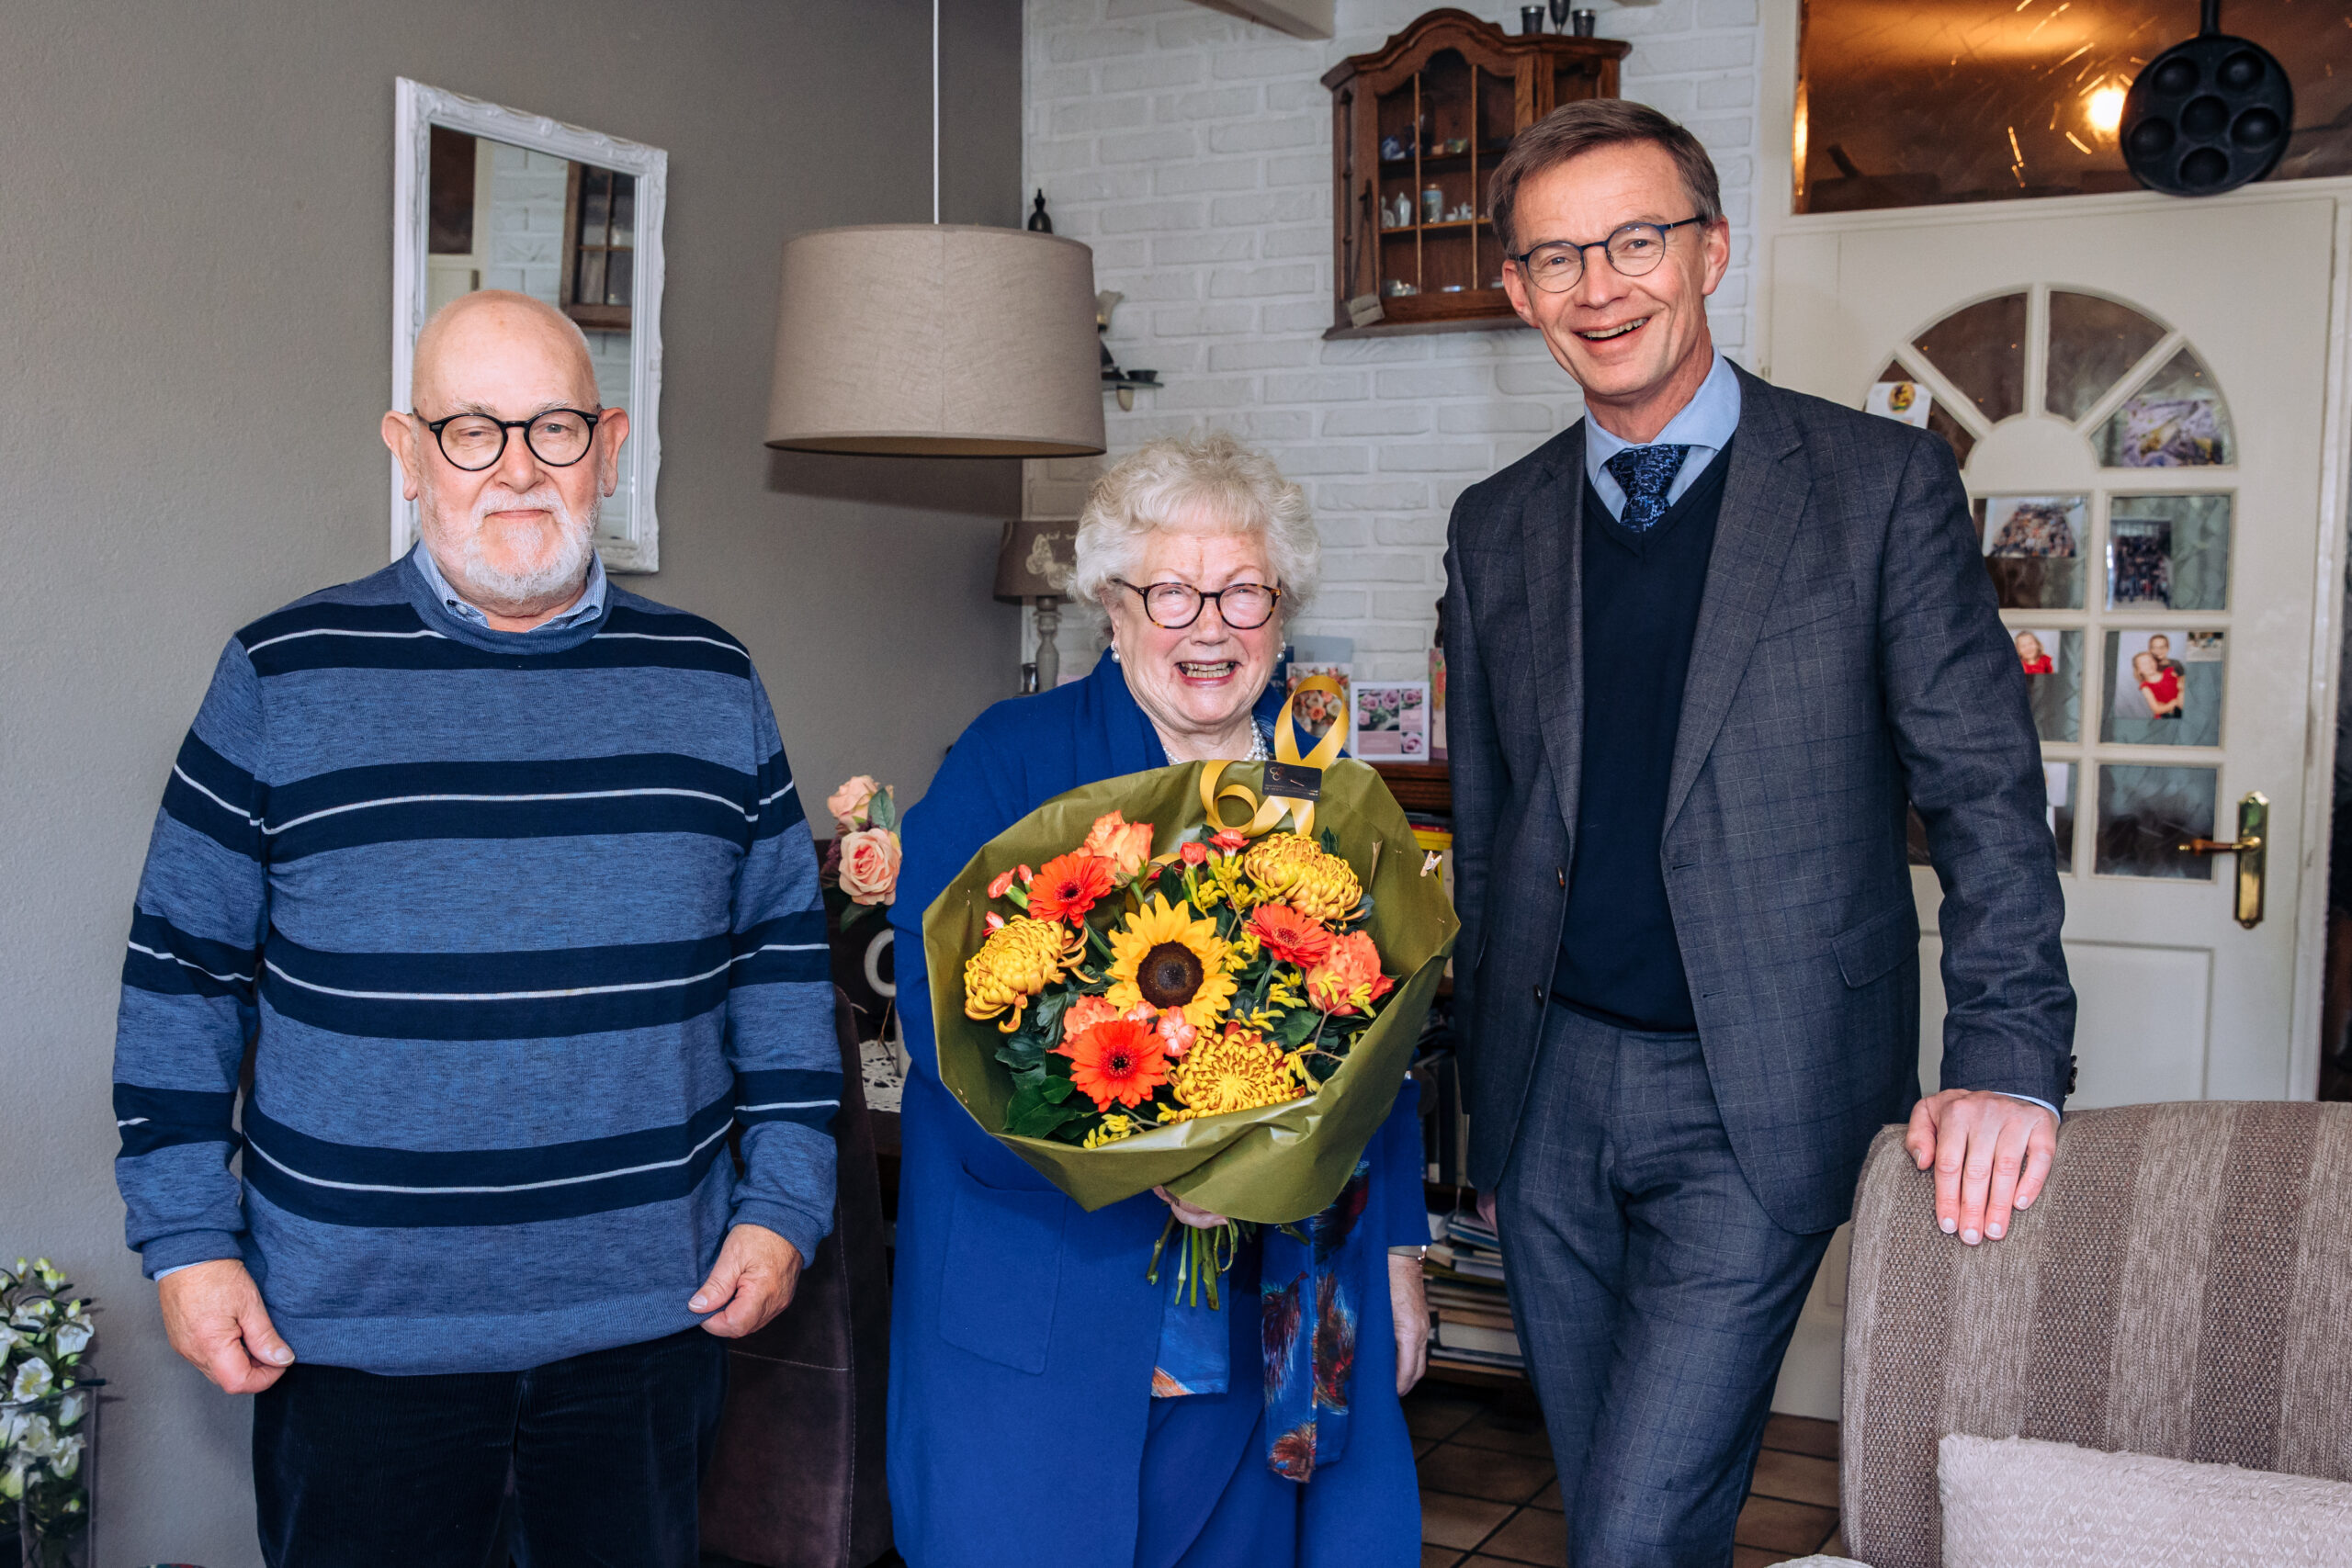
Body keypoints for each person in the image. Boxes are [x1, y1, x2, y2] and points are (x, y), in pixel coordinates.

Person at [110, 291, 838, 1567]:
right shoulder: (282, 674)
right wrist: (185, 1239)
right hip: (353, 1344)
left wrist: (784, 1205)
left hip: (645, 1330)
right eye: (469, 429)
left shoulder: (714, 681)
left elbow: (778, 964)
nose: (515, 465)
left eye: (554, 427)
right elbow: (182, 970)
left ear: (607, 447)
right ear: (406, 450)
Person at [1441, 102, 2075, 1565]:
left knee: (1636, 1519)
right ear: (1522, 293)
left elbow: (1985, 790)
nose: (1599, 286)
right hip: (1545, 1101)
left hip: (1763, 1088)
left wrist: (2007, 1057)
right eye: (1554, 258)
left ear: (1710, 250)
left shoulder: (1876, 486)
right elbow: (1489, 824)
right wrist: (1485, 1094)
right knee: (1619, 1501)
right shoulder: (1494, 523)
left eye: (1635, 240)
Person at [886, 433, 1429, 1568]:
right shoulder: (1008, 761)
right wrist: (1157, 1155)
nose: (1209, 625)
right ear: (1113, 609)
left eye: (1243, 591)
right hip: (1048, 1296)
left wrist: (1400, 1262)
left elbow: (1385, 1052)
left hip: (1269, 1303)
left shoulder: (1322, 793)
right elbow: (945, 1023)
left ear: (1279, 615)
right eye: (1171, 591)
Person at [2134, 649, 2185, 717]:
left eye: (2150, 661)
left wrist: (2181, 685)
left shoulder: (2170, 671)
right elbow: (2156, 709)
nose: (2149, 665)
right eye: (2144, 664)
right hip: (2166, 715)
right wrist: (2172, 704)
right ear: (2139, 670)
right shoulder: (2145, 687)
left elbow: (2183, 682)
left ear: (2156, 662)